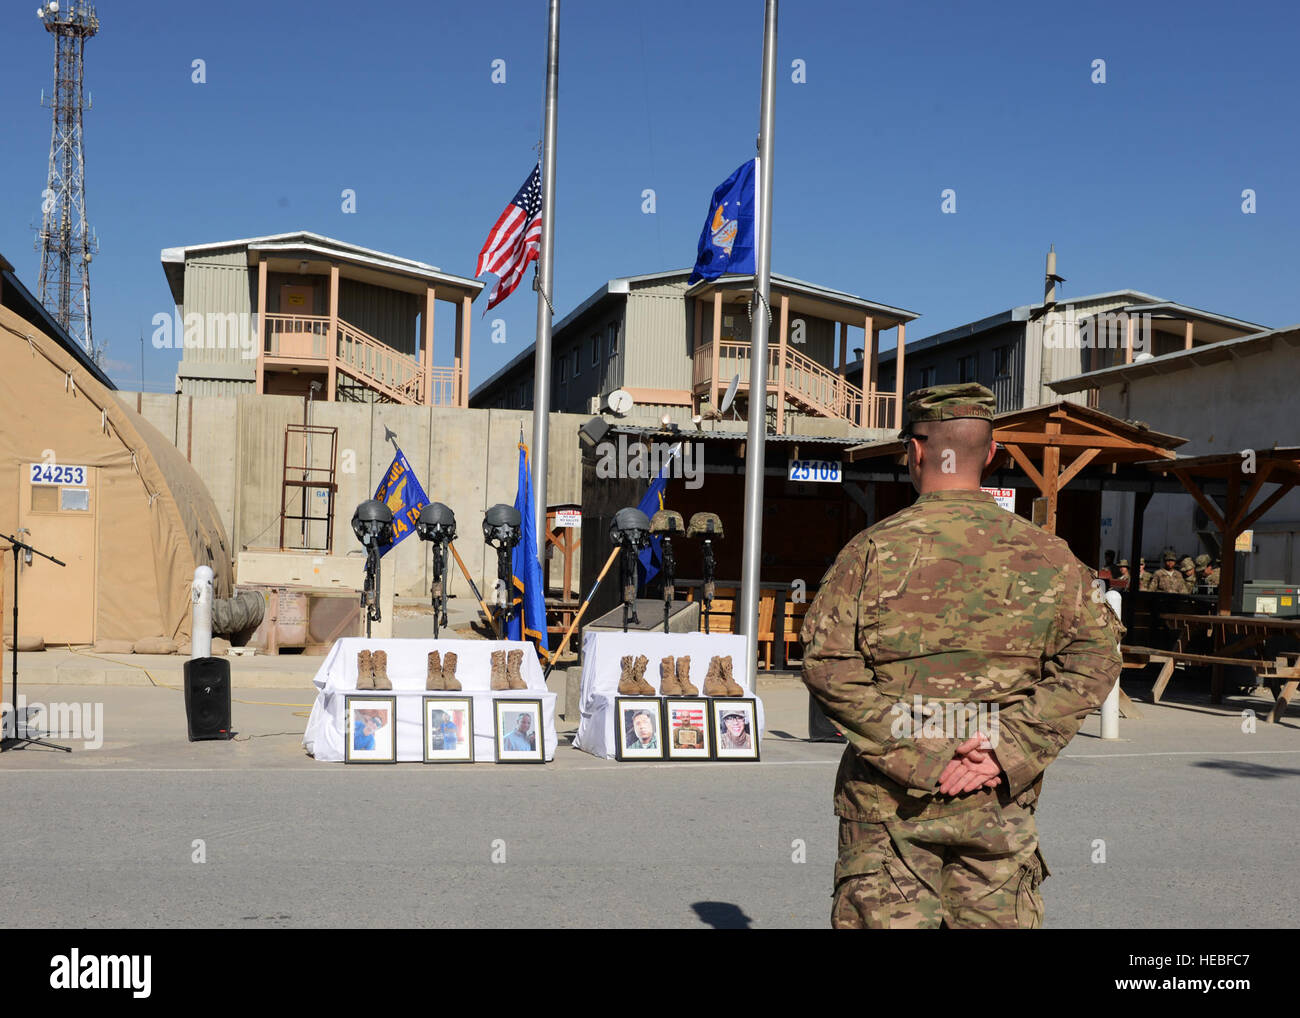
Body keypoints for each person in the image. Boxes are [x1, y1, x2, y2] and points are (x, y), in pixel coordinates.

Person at [801, 382, 1122, 930]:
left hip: (888, 809)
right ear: (992, 454)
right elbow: (1098, 655)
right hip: (996, 804)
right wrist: (1005, 748)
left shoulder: (872, 550)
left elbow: (826, 663)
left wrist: (920, 753)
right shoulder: (1050, 555)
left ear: (917, 450)